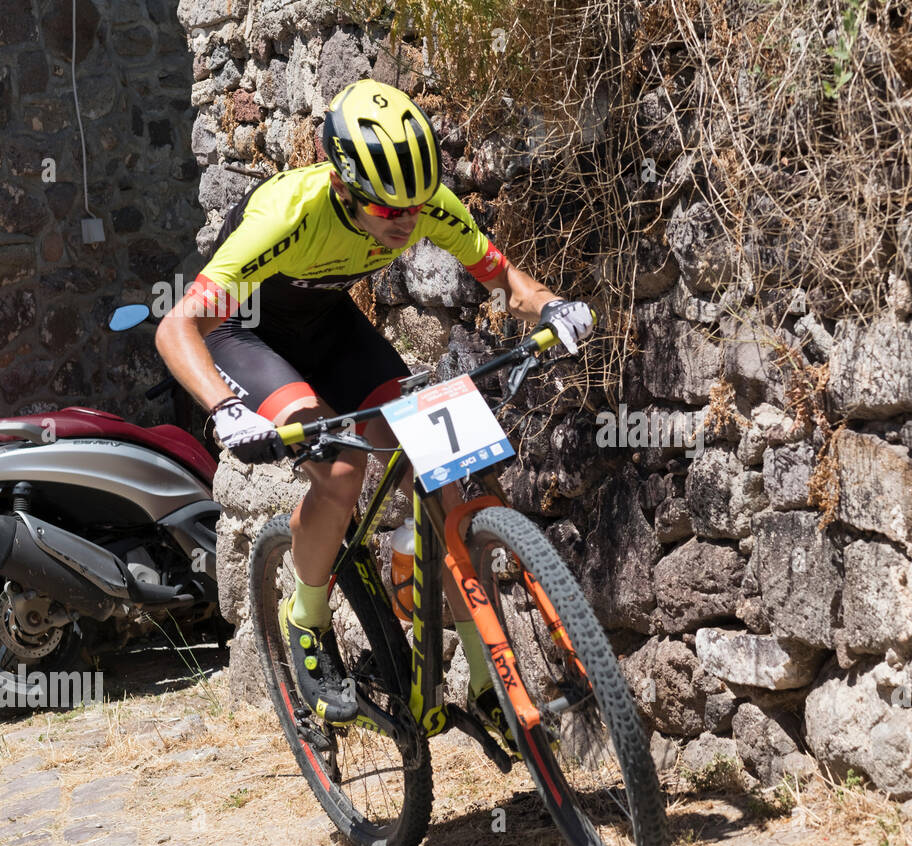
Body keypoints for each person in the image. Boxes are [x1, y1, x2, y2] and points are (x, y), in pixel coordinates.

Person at [155, 78, 595, 740]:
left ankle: (483, 675)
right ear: (342, 185)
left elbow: (503, 276)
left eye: (415, 210)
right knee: (336, 472)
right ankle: (305, 619)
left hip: (331, 326)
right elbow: (175, 326)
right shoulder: (288, 213)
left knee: (444, 466)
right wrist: (223, 409)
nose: (406, 224)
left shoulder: (417, 201)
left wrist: (554, 305)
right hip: (243, 334)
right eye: (389, 213)